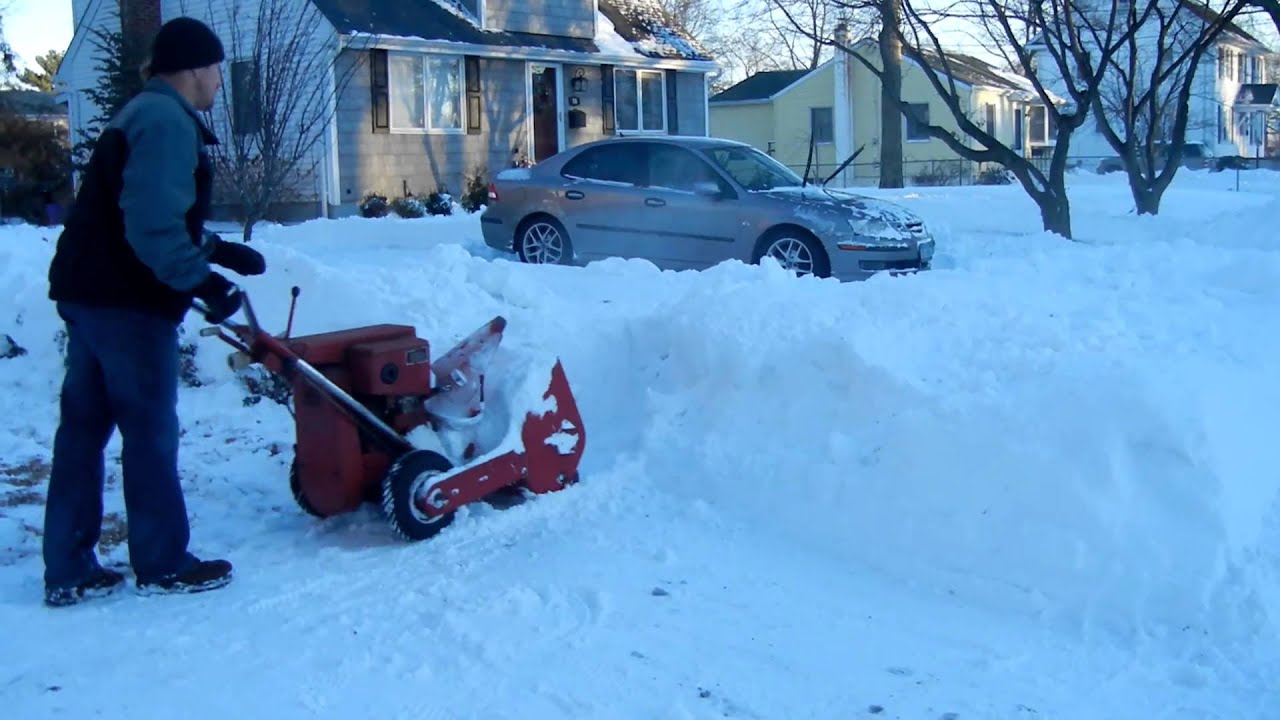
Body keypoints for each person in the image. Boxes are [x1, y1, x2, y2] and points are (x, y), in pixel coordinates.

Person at [42, 16, 266, 607]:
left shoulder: (142, 111)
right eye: (217, 68)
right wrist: (204, 282)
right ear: (193, 68)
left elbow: (139, 209)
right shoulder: (167, 121)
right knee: (149, 432)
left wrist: (220, 249)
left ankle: (67, 567)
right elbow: (150, 227)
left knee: (83, 431)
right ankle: (163, 560)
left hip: (88, 291)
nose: (220, 80)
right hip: (127, 302)